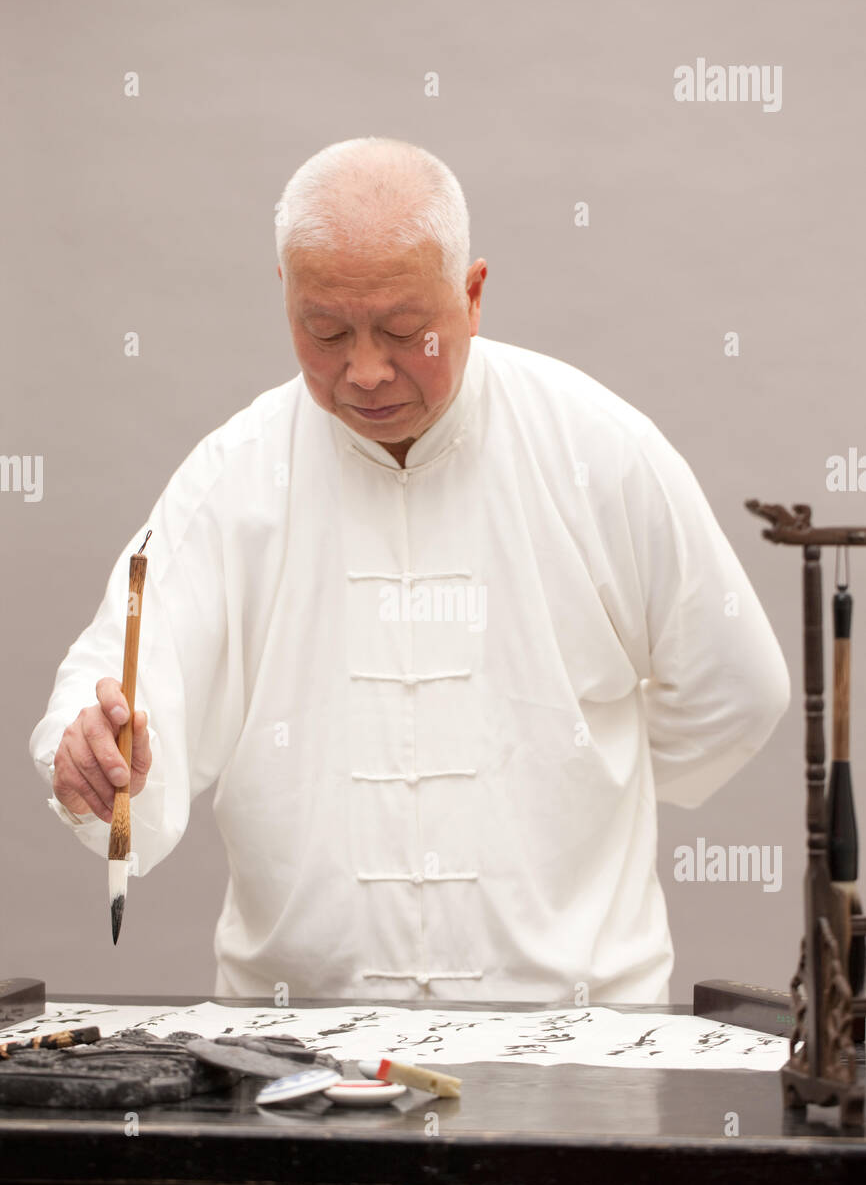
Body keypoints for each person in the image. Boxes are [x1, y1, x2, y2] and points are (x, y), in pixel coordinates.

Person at [29, 136, 790, 1004]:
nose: (364, 371)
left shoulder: (597, 450)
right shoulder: (233, 475)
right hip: (299, 1045)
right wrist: (92, 754)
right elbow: (118, 684)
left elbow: (740, 688)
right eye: (324, 330)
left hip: (581, 1039)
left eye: (400, 330)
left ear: (472, 295)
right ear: (286, 298)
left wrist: (573, 767)